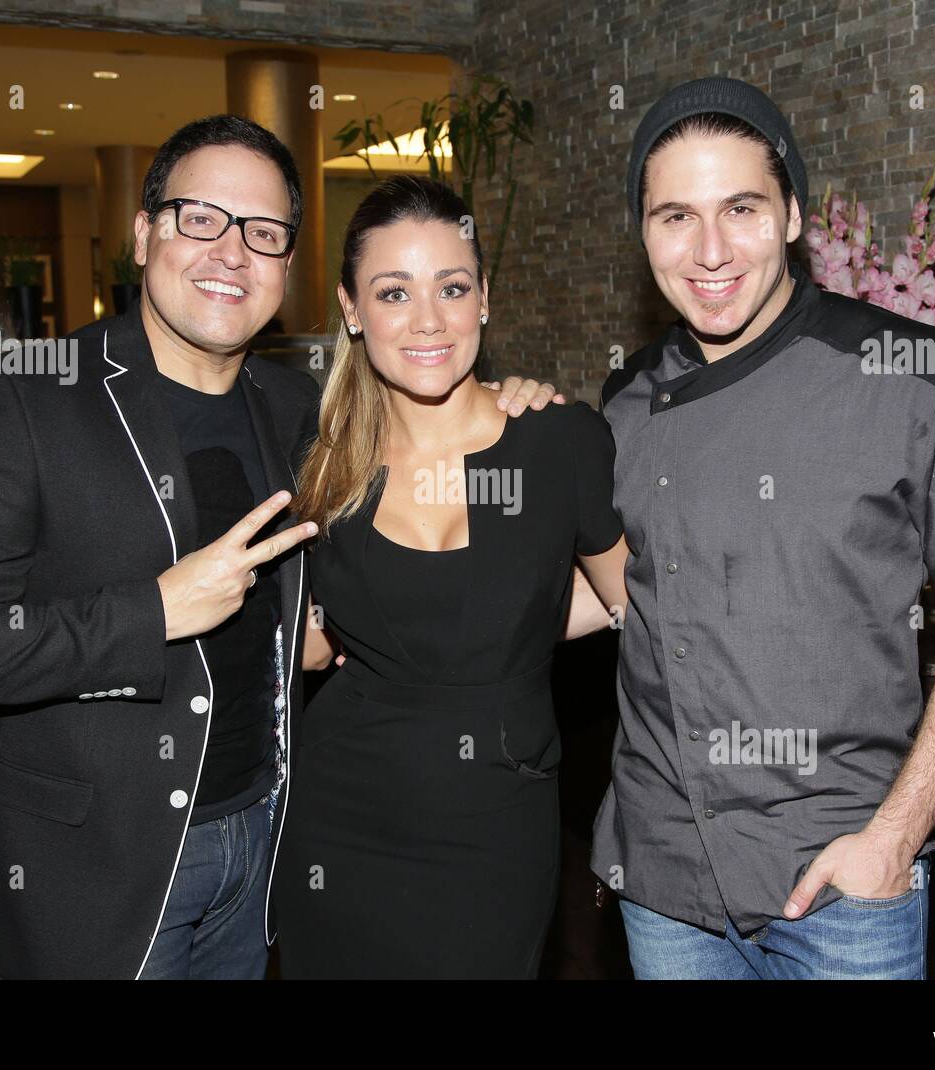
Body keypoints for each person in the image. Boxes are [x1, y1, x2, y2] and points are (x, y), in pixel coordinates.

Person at [0, 114, 557, 980]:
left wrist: (503, 404)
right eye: (200, 218)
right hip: (101, 873)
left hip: (267, 847)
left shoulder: (300, 409)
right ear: (142, 234)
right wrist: (153, 613)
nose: (231, 253)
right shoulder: (27, 395)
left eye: (263, 232)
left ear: (288, 264)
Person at [588, 77, 935, 979]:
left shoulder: (917, 377)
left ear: (793, 216)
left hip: (844, 888)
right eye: (675, 217)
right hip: (664, 881)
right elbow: (618, 589)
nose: (709, 251)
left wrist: (893, 840)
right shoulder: (625, 402)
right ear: (643, 233)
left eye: (741, 209)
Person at [272, 175, 629, 978]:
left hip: (495, 825)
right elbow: (313, 644)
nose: (428, 319)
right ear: (353, 310)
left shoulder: (559, 441)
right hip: (338, 817)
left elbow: (632, 606)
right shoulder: (322, 458)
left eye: (452, 287)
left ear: (484, 299)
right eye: (394, 292)